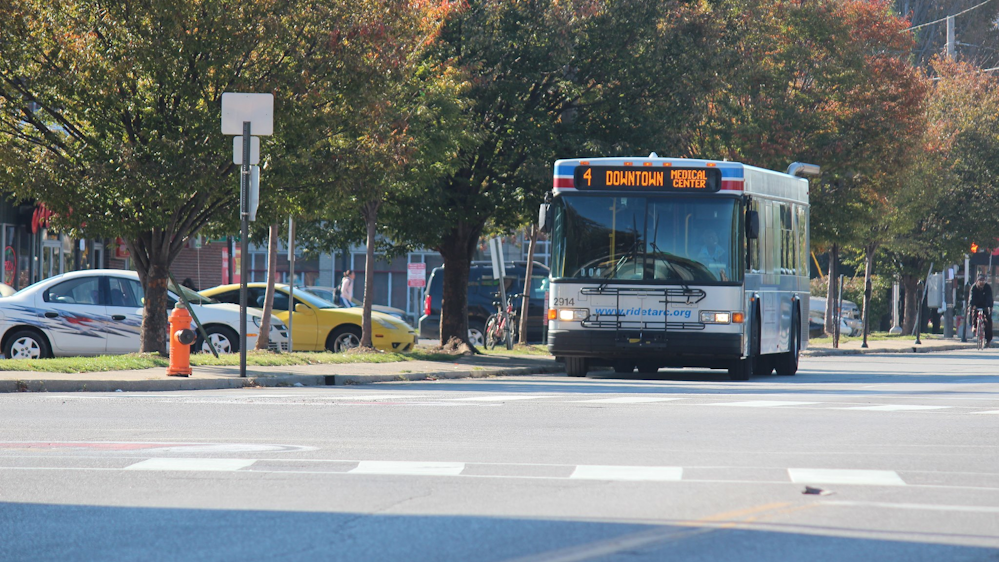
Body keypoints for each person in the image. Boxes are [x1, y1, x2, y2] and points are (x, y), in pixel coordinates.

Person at [969, 273, 993, 346]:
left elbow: (989, 298)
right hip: (976, 305)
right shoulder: (974, 287)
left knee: (988, 321)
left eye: (983, 281)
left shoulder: (987, 287)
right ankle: (974, 326)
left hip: (985, 305)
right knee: (973, 313)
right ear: (977, 281)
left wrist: (990, 307)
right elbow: (971, 297)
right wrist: (971, 305)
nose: (981, 283)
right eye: (980, 281)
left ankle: (988, 340)